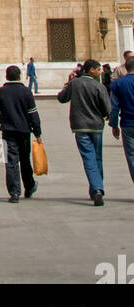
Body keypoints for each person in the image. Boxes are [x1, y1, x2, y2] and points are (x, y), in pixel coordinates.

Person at [57, 58, 110, 205]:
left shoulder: (75, 83)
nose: (100, 72)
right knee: (97, 157)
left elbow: (61, 98)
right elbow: (107, 108)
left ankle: (96, 189)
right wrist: (106, 118)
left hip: (80, 126)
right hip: (97, 126)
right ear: (91, 70)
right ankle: (97, 188)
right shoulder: (99, 86)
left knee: (89, 158)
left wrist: (68, 83)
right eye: (98, 69)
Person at [0, 65, 42, 203]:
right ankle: (29, 186)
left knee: (11, 161)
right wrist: (37, 132)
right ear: (20, 76)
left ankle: (14, 193)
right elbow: (33, 113)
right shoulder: (26, 92)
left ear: (6, 76)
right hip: (24, 131)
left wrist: (3, 121)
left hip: (8, 131)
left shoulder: (2, 91)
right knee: (25, 159)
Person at [110, 54, 134, 187]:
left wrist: (113, 125)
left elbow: (114, 107)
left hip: (128, 124)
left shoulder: (118, 84)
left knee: (132, 156)